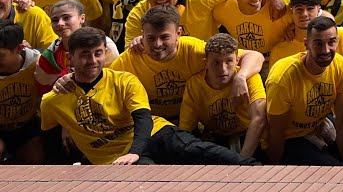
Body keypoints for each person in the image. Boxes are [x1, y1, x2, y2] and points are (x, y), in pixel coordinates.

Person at [40, 26, 258, 165]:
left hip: (155, 133)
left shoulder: (123, 79)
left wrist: (135, 151)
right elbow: (51, 145)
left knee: (196, 150)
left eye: (98, 54)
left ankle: (253, 170)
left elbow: (142, 118)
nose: (93, 61)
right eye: (85, 55)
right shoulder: (53, 101)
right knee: (148, 175)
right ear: (70, 59)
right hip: (115, 159)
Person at [110, 5, 264, 123]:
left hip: (194, 120)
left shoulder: (194, 49)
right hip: (153, 123)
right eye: (150, 38)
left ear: (178, 34)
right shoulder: (131, 58)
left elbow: (255, 56)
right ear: (142, 35)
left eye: (164, 37)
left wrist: (241, 77)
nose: (157, 44)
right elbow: (105, 84)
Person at [264, 16, 343, 166]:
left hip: (318, 126)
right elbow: (276, 132)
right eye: (318, 44)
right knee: (335, 171)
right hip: (290, 138)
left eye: (331, 42)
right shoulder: (282, 78)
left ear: (338, 41)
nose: (326, 50)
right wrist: (275, 170)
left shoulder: (341, 66)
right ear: (306, 44)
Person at [178, 32, 267, 158]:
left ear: (237, 60)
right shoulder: (194, 84)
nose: (223, 69)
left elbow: (258, 119)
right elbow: (186, 128)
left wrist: (242, 161)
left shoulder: (250, 77)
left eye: (229, 61)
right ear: (206, 62)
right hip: (215, 137)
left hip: (247, 136)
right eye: (216, 62)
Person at [0, 21, 42, 163]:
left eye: (0, 55)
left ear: (19, 48)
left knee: (34, 162)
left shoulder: (38, 64)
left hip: (27, 126)